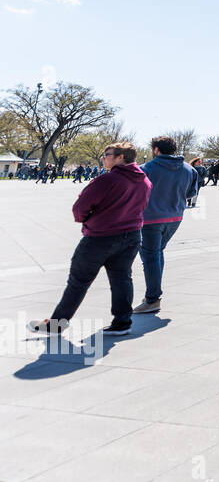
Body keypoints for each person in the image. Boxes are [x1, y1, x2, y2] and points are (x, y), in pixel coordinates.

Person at [28, 142, 151, 337]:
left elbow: (80, 208)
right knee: (122, 278)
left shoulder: (108, 179)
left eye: (107, 154)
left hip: (101, 237)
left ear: (121, 157)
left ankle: (57, 323)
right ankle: (122, 322)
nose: (103, 158)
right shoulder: (144, 180)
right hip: (131, 235)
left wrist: (87, 219)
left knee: (78, 281)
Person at [135, 136, 197, 316]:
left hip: (150, 219)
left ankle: (153, 298)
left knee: (150, 257)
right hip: (175, 217)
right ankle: (153, 296)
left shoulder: (145, 169)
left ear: (156, 150)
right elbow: (191, 193)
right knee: (157, 253)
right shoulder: (189, 169)